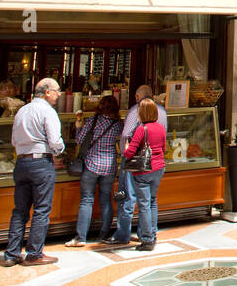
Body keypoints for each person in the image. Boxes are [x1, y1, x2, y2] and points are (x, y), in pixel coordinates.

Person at [2, 78, 66, 267]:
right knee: (41, 209)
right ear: (47, 92)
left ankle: (12, 253)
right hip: (40, 163)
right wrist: (59, 151)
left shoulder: (22, 110)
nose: (58, 94)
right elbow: (55, 141)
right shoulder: (48, 111)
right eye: (56, 90)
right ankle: (34, 253)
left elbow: (14, 139)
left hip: (22, 162)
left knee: (20, 210)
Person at [114, 85, 168, 245]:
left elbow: (127, 141)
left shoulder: (140, 125)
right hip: (158, 166)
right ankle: (152, 232)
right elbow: (164, 147)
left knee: (135, 200)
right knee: (152, 201)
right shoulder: (162, 118)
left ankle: (141, 237)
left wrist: (125, 152)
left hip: (141, 166)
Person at [66, 95, 123, 247]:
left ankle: (81, 237)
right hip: (109, 165)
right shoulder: (118, 124)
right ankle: (104, 235)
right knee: (106, 200)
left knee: (87, 200)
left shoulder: (92, 121)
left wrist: (78, 125)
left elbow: (79, 139)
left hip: (91, 164)